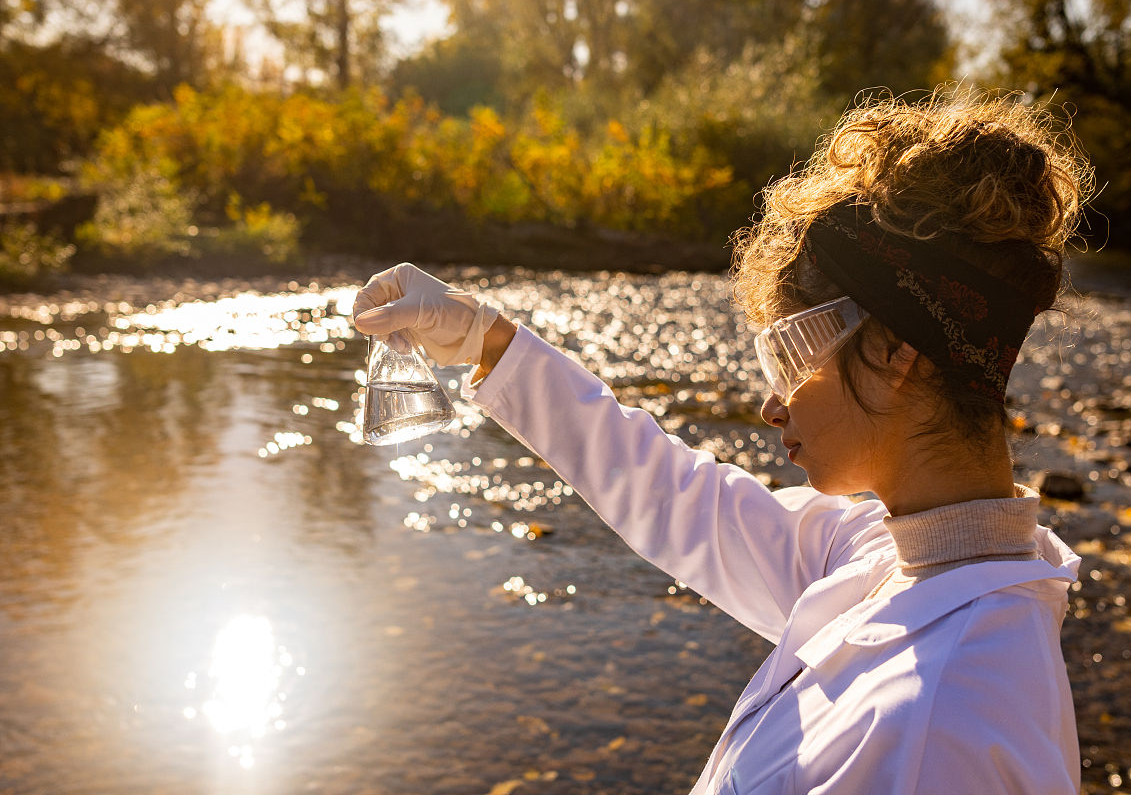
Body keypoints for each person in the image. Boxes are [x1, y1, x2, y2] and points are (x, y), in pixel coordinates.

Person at [353, 89, 1093, 794]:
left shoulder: (947, 728)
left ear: (897, 353)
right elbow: (675, 497)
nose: (771, 406)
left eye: (793, 359)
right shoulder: (888, 552)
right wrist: (485, 337)